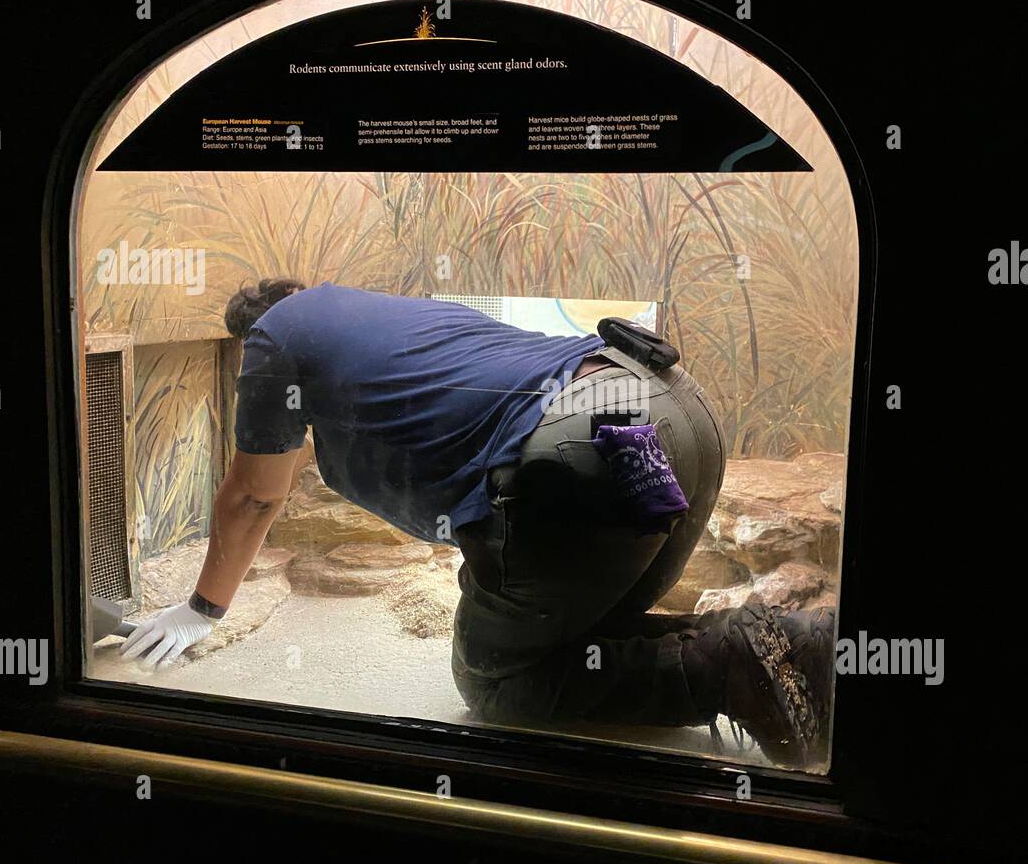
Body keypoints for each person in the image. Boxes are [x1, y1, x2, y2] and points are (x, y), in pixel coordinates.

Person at [119, 277, 835, 766]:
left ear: (254, 333)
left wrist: (203, 607)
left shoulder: (276, 336)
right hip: (676, 415)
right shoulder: (400, 315)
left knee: (493, 679)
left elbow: (253, 494)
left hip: (589, 451)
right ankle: (793, 649)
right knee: (578, 636)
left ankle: (728, 664)